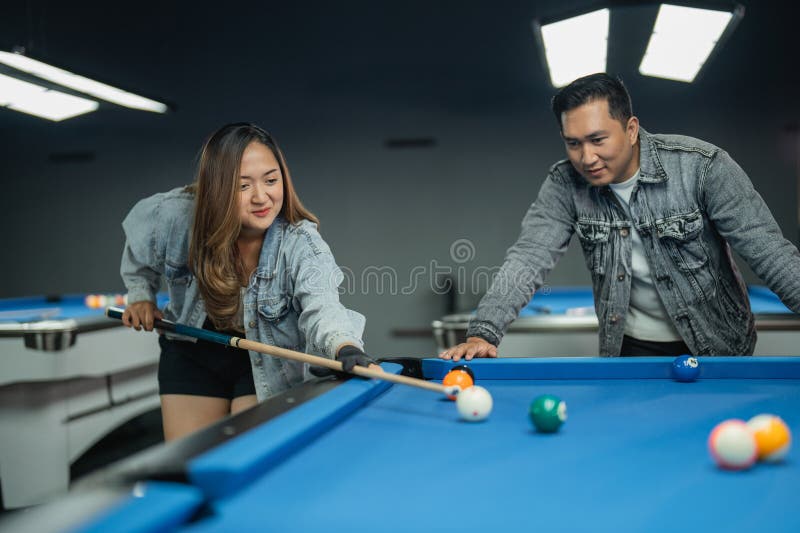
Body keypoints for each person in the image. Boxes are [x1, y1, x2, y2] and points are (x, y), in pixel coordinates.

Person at [440, 72, 800, 361]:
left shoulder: (703, 167)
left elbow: (770, 253)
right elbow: (528, 257)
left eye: (598, 139)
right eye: (573, 143)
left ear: (630, 129)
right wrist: (483, 331)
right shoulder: (565, 183)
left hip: (720, 345)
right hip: (631, 348)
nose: (586, 158)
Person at [120, 122, 377, 440]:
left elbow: (323, 307)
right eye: (243, 186)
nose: (261, 197)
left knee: (247, 449)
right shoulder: (175, 216)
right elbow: (139, 251)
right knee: (191, 457)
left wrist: (345, 346)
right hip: (191, 350)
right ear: (217, 189)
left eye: (271, 180)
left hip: (265, 358)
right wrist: (140, 295)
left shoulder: (302, 243)